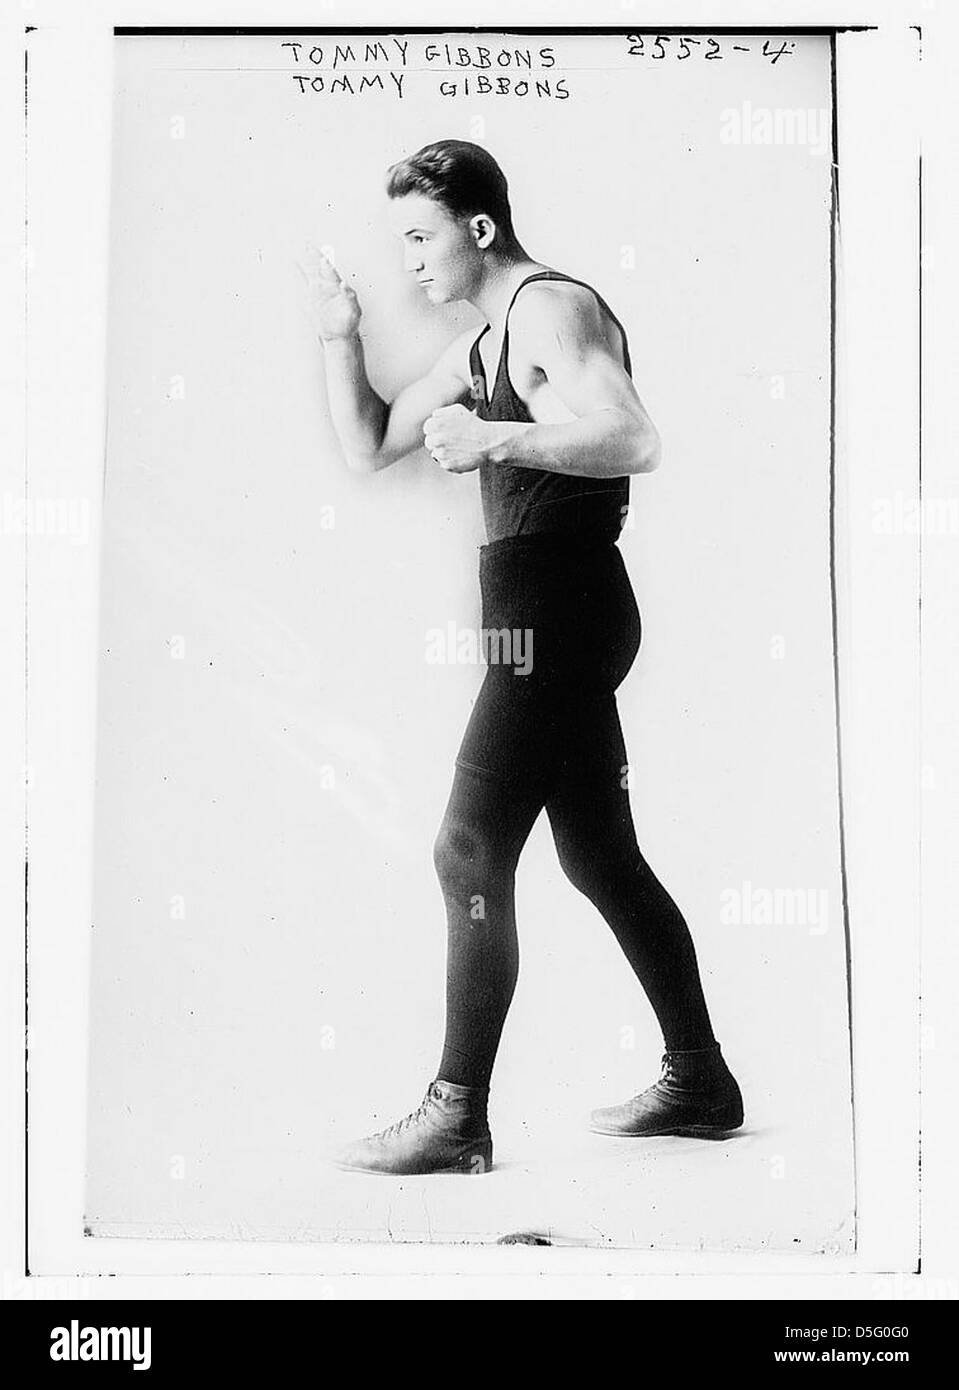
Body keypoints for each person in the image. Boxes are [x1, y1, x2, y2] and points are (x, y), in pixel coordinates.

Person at [301, 140, 743, 1176]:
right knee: (595, 854)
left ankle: (456, 1112)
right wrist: (337, 335)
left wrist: (494, 442)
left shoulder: (550, 309)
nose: (410, 262)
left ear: (479, 228)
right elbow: (370, 443)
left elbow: (631, 439)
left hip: (561, 608)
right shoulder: (486, 342)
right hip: (538, 611)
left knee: (466, 849)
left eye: (421, 237)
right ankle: (700, 1080)